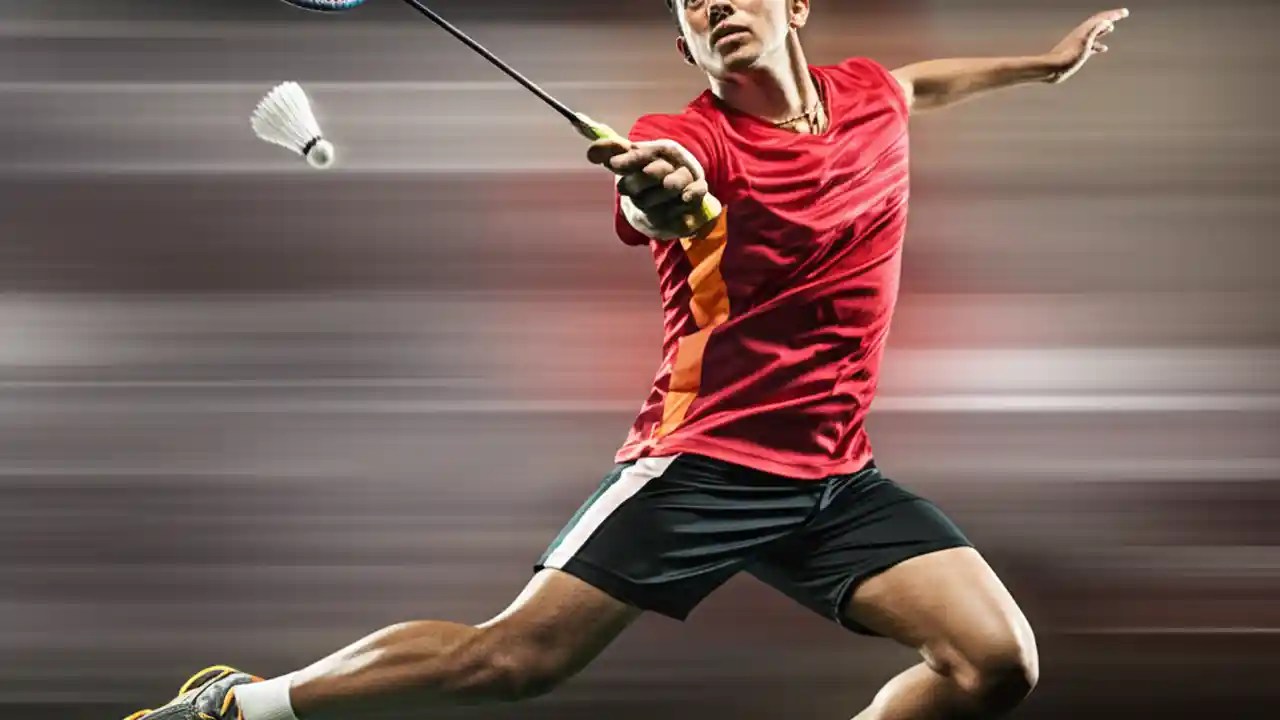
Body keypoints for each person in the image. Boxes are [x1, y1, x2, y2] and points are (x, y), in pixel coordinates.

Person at [125, 2, 1129, 719]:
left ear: (793, 9)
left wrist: (1041, 66)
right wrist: (663, 193)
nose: (713, 6)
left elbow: (920, 85)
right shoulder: (681, 137)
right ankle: (240, 707)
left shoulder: (864, 94)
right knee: (509, 664)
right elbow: (666, 199)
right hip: (705, 464)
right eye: (691, 5)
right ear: (688, 39)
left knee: (991, 664)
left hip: (833, 474)